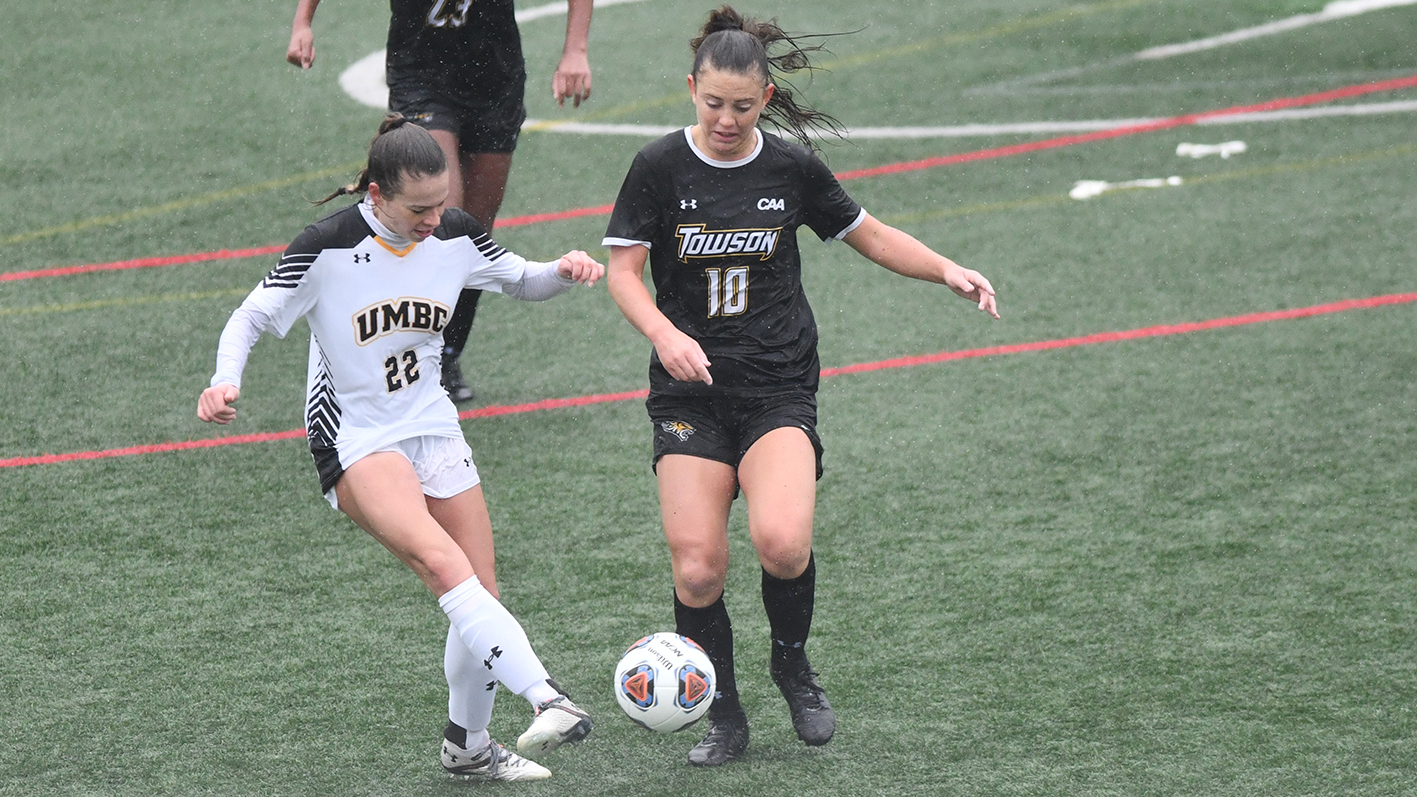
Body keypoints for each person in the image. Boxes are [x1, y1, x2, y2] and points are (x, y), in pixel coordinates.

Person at [603, 6, 1000, 768]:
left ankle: (791, 662)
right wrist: (665, 334)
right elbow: (623, 274)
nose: (725, 119)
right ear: (691, 89)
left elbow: (868, 232)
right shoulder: (657, 167)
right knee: (696, 566)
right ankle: (722, 708)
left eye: (742, 106)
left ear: (765, 100)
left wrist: (946, 267)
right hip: (688, 395)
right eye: (712, 102)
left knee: (781, 543)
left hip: (778, 384)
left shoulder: (789, 168)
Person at [198, 115, 602, 782]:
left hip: (434, 426)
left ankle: (467, 747)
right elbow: (250, 315)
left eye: (441, 203)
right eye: (419, 207)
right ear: (376, 193)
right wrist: (224, 380)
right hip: (356, 436)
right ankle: (547, 696)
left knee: (481, 588)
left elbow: (522, 279)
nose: (433, 218)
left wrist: (563, 269)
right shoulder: (327, 247)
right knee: (444, 566)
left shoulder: (452, 233)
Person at [286, 0, 595, 403]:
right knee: (443, 218)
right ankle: (400, 346)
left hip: (494, 76)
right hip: (420, 74)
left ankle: (447, 353)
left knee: (474, 230)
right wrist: (302, 23)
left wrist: (576, 49)